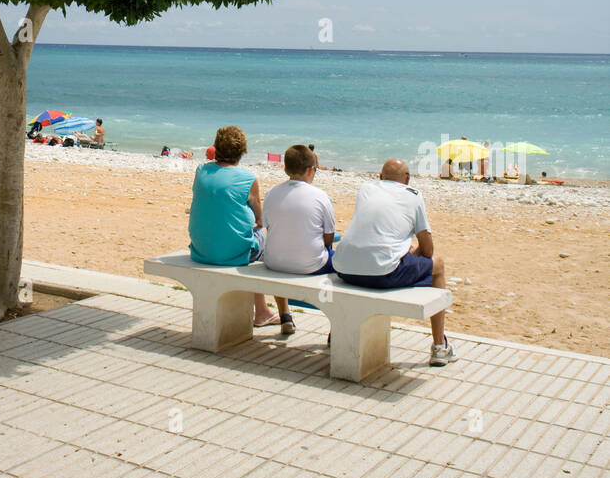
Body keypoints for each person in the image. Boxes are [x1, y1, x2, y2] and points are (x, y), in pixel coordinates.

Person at [332, 158, 455, 366]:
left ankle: (334, 333)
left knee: (382, 256)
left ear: (380, 177)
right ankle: (439, 347)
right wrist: (409, 253)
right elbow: (428, 250)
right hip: (383, 274)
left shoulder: (365, 190)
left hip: (344, 267)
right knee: (438, 264)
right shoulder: (413, 196)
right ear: (408, 179)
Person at [188, 125, 290, 331]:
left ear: (216, 147)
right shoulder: (247, 178)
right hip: (232, 254)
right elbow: (261, 219)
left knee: (241, 235)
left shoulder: (201, 171)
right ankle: (276, 311)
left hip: (201, 249)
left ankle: (262, 310)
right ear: (242, 151)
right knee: (267, 235)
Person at [262, 145, 338, 335]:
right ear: (311, 169)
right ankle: (336, 325)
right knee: (342, 266)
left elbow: (269, 227)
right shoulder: (320, 196)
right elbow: (329, 238)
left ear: (286, 169)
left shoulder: (272, 193)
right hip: (310, 265)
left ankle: (285, 314)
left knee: (283, 244)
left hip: (274, 262)